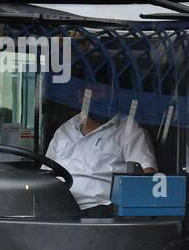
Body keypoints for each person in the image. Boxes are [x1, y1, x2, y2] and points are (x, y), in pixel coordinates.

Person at [46, 82, 156, 217]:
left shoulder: (128, 129)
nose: (98, 96)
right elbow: (44, 173)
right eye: (92, 91)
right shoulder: (64, 130)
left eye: (103, 91)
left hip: (100, 213)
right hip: (55, 208)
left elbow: (147, 174)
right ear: (80, 96)